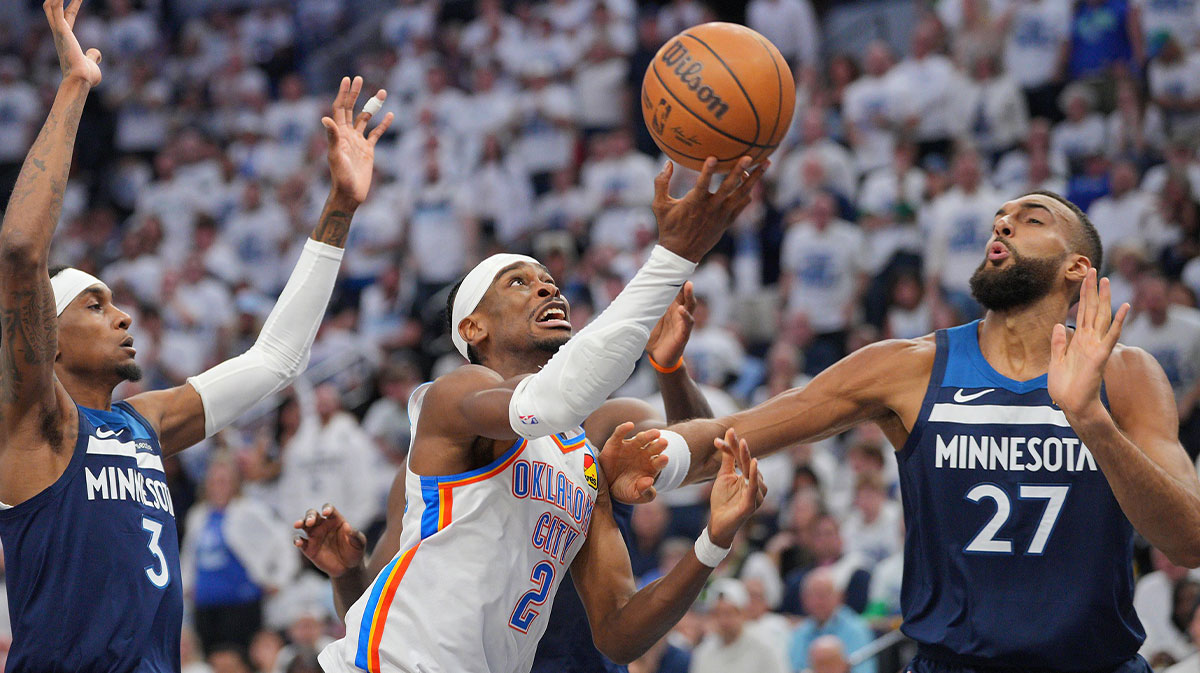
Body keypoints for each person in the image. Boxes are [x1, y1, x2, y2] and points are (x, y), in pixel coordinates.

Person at [636, 188, 1200, 671]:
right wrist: (631, 459)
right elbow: (731, 436)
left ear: (1077, 267)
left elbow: (1189, 542)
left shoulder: (1126, 376)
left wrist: (1092, 423)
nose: (1002, 223)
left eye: (1032, 219)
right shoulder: (909, 366)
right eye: (1000, 218)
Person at [0, 3, 395, 670]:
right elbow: (18, 249)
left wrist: (340, 206)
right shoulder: (32, 422)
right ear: (50, 339)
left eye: (118, 302)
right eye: (95, 306)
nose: (122, 315)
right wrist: (74, 87)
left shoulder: (143, 423)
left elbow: (276, 359)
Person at [306, 155, 769, 673]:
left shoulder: (591, 431)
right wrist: (347, 576)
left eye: (549, 279)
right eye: (520, 282)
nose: (549, 287)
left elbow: (696, 454)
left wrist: (670, 367)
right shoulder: (445, 425)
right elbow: (370, 615)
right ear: (472, 329)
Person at [688, 578, 785, 673]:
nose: (723, 621)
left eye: (729, 613)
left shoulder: (766, 646)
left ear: (743, 613)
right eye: (717, 614)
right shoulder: (703, 652)